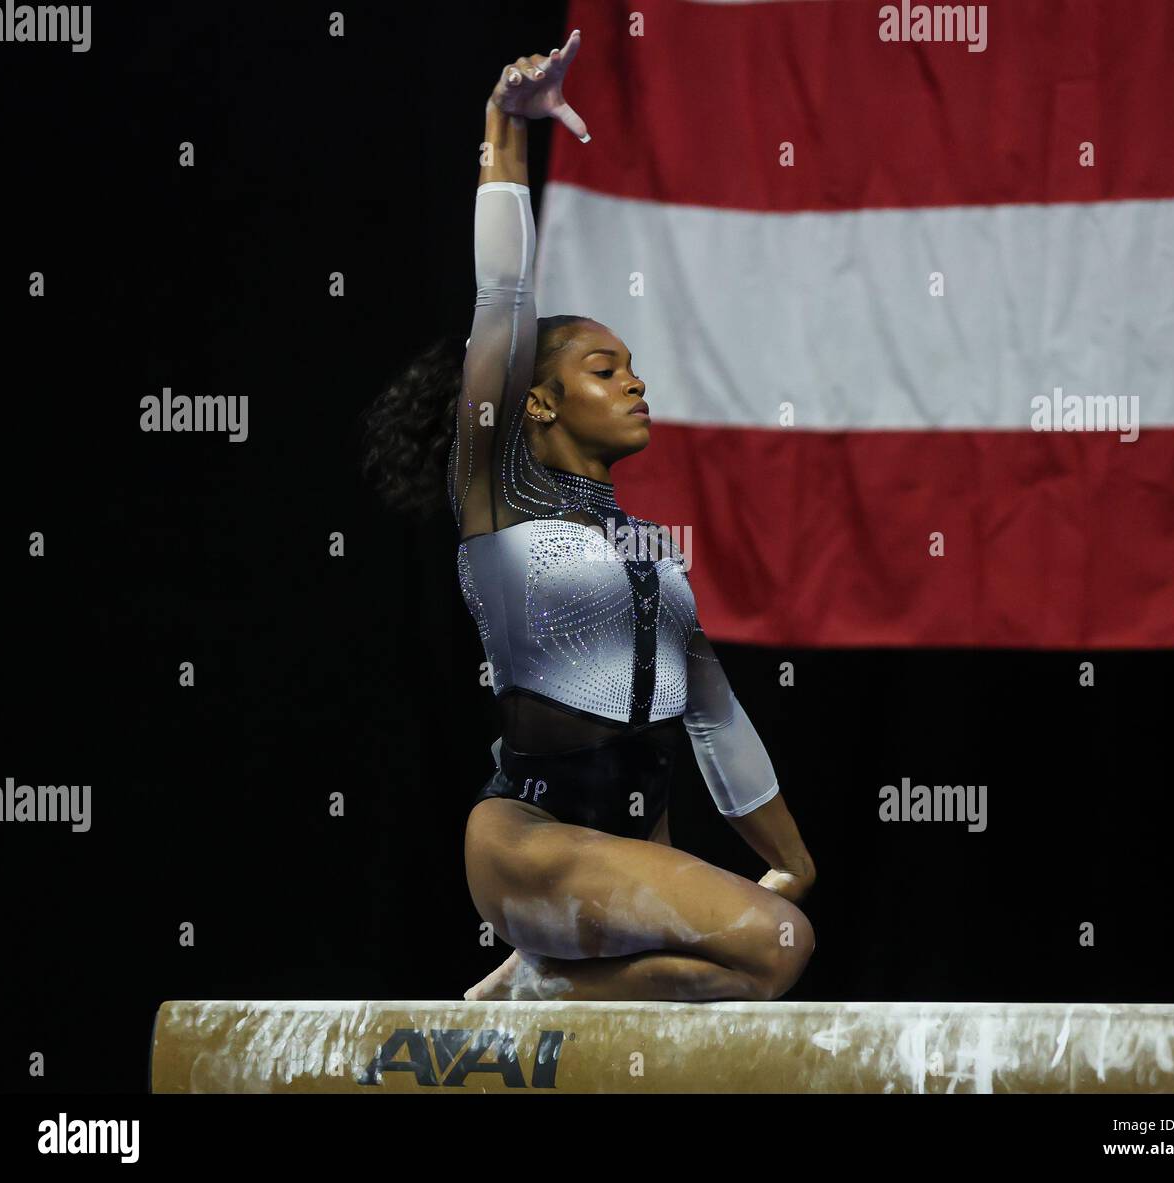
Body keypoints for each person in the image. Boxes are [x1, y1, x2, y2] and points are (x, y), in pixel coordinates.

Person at [363, 30, 815, 1002]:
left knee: (756, 963)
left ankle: (552, 979)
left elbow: (714, 715)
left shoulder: (655, 559)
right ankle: (544, 983)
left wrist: (794, 855)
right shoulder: (500, 497)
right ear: (537, 401)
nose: (635, 383)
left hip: (621, 850)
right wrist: (504, 131)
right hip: (528, 839)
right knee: (776, 942)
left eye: (634, 367)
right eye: (604, 371)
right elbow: (504, 292)